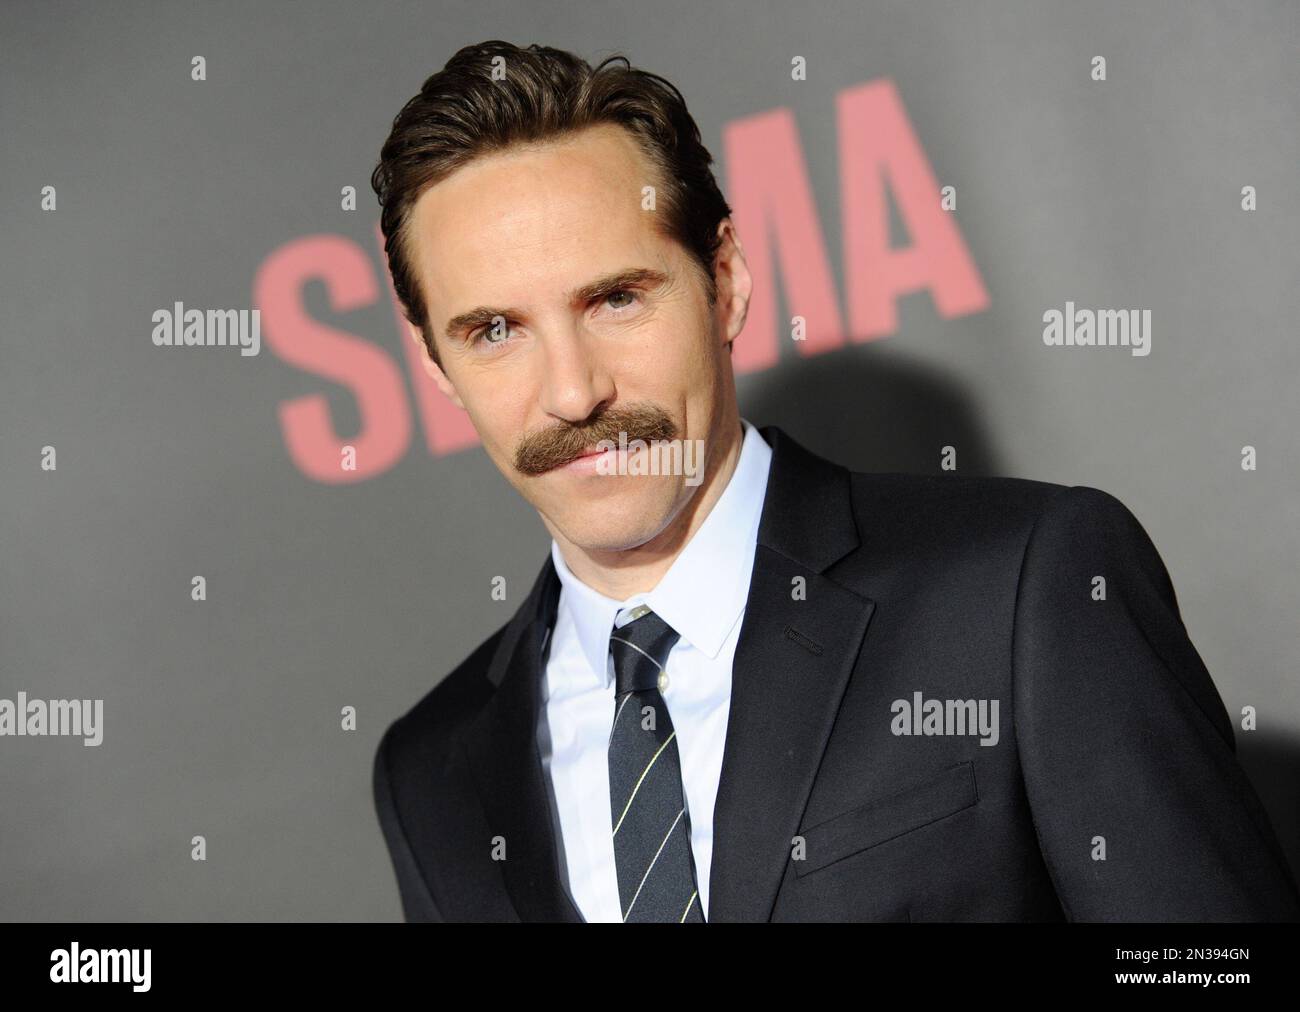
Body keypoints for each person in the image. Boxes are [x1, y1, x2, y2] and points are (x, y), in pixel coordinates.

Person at [368, 40, 1300, 922]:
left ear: (724, 281)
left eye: (615, 299)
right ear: (435, 365)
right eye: (495, 331)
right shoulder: (434, 771)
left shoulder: (1024, 590)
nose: (573, 393)